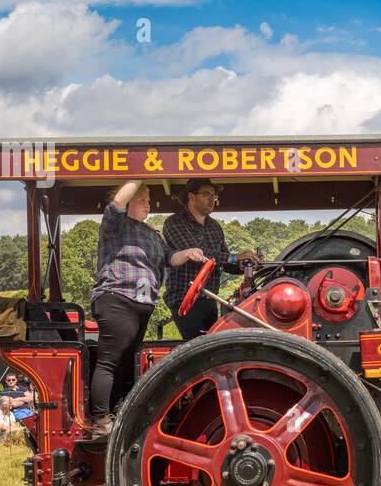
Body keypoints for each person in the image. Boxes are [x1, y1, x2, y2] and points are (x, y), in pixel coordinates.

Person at [89, 179, 206, 435]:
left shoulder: (152, 233)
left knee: (126, 361)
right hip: (118, 298)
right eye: (142, 199)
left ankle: (117, 413)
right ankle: (99, 419)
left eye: (149, 200)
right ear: (129, 201)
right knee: (110, 361)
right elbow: (116, 204)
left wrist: (188, 253)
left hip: (143, 304)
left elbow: (169, 258)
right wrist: (139, 176)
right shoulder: (115, 225)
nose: (148, 204)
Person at [162, 178, 262, 340]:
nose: (212, 199)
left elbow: (226, 264)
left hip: (210, 298)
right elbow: (198, 255)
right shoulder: (174, 222)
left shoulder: (215, 227)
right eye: (207, 194)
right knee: (198, 349)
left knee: (212, 348)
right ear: (191, 196)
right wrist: (236, 256)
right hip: (185, 299)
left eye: (214, 195)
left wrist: (246, 264)